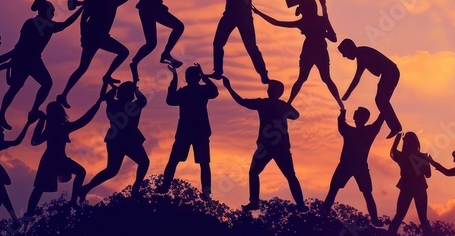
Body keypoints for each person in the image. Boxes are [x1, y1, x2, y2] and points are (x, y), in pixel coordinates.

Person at [57, 0, 144, 108]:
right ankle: (64, 95)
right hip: (93, 37)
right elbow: (83, 19)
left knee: (122, 53)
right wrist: (83, 36)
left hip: (101, 37)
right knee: (83, 67)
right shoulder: (95, 0)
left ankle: (107, 75)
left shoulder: (111, 1)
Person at [220, 76, 306, 211]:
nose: (268, 90)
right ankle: (300, 204)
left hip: (268, 146)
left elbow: (241, 101)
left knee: (255, 173)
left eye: (270, 88)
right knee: (288, 175)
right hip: (277, 146)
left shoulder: (263, 103)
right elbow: (295, 115)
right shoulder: (280, 105)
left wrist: (229, 87)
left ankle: (255, 202)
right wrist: (286, 105)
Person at [0, 3, 83, 129]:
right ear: (46, 11)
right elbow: (65, 24)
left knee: (23, 86)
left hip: (27, 58)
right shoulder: (41, 24)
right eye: (52, 12)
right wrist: (81, 9)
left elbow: (21, 43)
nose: (53, 14)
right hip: (27, 58)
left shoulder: (32, 23)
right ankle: (25, 111)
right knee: (35, 85)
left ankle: (21, 112)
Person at [201, 0, 283, 83]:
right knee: (246, 47)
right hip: (235, 16)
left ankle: (262, 74)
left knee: (246, 46)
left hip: (239, 17)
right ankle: (262, 75)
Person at [253, 0, 341, 108]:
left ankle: (340, 104)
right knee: (305, 78)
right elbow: (277, 23)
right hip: (311, 51)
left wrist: (323, 34)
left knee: (322, 78)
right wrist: (259, 13)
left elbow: (333, 38)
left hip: (318, 51)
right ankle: (289, 102)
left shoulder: (319, 20)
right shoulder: (311, 21)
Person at [26, 92, 105, 215]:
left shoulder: (59, 127)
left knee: (40, 188)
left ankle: (72, 201)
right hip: (52, 159)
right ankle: (29, 213)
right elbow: (35, 141)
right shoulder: (55, 127)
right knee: (40, 187)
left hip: (56, 158)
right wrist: (41, 120)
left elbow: (84, 120)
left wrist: (98, 104)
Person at [129, 0, 198, 80]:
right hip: (149, 8)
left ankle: (136, 62)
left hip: (151, 9)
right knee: (175, 29)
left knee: (152, 43)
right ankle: (163, 54)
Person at [77, 81, 149, 200]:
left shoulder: (113, 103)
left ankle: (86, 188)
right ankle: (135, 188)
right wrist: (134, 89)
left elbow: (106, 96)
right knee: (115, 169)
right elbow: (143, 99)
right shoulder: (129, 105)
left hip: (120, 139)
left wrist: (113, 88)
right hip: (124, 140)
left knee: (113, 170)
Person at [158, 63, 218, 198]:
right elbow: (214, 91)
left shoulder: (185, 92)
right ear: (198, 78)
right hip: (198, 131)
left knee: (174, 160)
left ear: (186, 78)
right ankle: (206, 190)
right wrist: (204, 77)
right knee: (203, 163)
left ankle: (165, 185)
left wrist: (174, 78)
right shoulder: (202, 91)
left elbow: (170, 100)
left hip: (187, 131)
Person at [322, 107, 384, 223]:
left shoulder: (353, 131)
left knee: (335, 190)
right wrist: (384, 103)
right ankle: (375, 219)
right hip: (354, 165)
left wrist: (343, 112)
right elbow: (382, 117)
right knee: (365, 193)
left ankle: (323, 214)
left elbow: (341, 122)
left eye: (357, 113)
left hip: (350, 165)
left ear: (357, 117)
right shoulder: (368, 131)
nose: (355, 115)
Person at [339, 39, 402, 138]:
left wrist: (347, 94)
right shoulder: (361, 54)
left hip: (390, 72)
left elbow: (356, 78)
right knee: (381, 101)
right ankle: (395, 126)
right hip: (388, 73)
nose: (344, 56)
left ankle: (395, 127)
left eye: (344, 53)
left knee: (381, 100)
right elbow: (357, 78)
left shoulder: (362, 54)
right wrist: (347, 94)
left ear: (349, 48)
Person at [387, 132, 433, 236]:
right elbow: (428, 175)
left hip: (407, 187)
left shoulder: (403, 156)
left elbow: (393, 152)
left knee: (399, 215)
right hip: (419, 187)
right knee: (423, 218)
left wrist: (397, 139)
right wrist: (428, 162)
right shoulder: (422, 156)